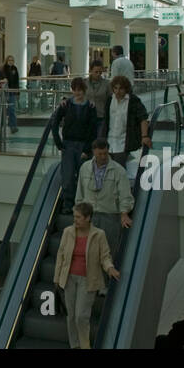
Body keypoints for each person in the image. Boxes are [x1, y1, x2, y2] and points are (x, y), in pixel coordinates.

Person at [52, 201, 119, 349]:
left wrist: (110, 268)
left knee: (81, 316)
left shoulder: (99, 234)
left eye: (78, 217)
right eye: (74, 217)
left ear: (88, 218)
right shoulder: (67, 232)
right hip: (68, 278)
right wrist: (57, 278)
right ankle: (74, 345)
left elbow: (105, 256)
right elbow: (61, 256)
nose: (74, 220)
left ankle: (85, 345)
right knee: (71, 316)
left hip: (88, 280)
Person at [51, 77, 98, 214]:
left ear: (84, 90)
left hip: (83, 145)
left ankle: (83, 204)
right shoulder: (66, 105)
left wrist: (87, 148)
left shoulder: (90, 107)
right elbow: (54, 122)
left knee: (85, 176)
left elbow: (92, 129)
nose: (78, 93)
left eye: (80, 90)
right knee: (68, 176)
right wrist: (58, 142)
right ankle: (68, 204)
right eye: (75, 90)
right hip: (68, 144)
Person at [76, 139, 133, 244]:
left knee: (108, 251)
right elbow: (80, 193)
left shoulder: (119, 170)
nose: (103, 156)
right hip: (89, 216)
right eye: (100, 154)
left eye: (105, 153)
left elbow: (125, 195)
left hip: (110, 217)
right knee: (87, 250)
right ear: (93, 152)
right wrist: (79, 214)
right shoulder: (85, 168)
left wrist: (124, 213)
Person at [111, 74, 151, 181]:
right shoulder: (110, 100)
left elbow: (143, 118)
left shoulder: (133, 101)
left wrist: (144, 136)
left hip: (124, 141)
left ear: (126, 89)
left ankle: (122, 193)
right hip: (110, 140)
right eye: (115, 88)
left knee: (118, 169)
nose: (118, 92)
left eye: (121, 89)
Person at [87, 60, 112, 140]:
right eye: (96, 72)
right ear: (91, 71)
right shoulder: (84, 83)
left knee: (99, 140)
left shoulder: (107, 84)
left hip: (101, 117)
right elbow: (75, 94)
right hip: (88, 117)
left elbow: (111, 99)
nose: (98, 74)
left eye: (100, 72)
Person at [0, 54, 20, 134]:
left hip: (12, 92)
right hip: (5, 92)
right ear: (7, 61)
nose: (11, 62)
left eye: (12, 60)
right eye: (9, 60)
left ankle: (13, 126)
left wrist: (18, 91)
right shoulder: (3, 69)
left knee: (12, 109)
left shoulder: (15, 68)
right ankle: (0, 125)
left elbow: (17, 81)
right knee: (2, 109)